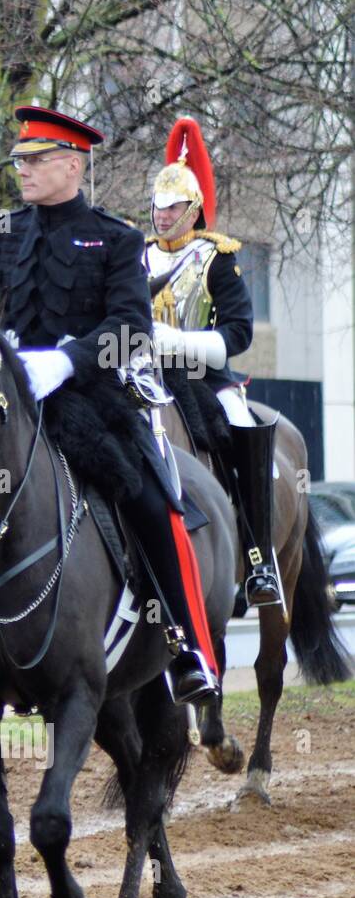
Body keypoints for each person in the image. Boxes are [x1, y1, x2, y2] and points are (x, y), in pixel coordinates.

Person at [0, 105, 220, 709]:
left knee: (152, 498)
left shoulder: (115, 238)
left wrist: (66, 362)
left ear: (73, 165)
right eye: (20, 161)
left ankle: (186, 642)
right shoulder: (1, 234)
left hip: (89, 401)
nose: (24, 171)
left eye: (36, 160)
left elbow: (132, 329)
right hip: (4, 405)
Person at [144, 117, 282, 606]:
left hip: (205, 378)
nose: (163, 215)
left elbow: (239, 332)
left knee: (241, 423)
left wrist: (178, 343)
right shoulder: (135, 256)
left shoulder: (217, 257)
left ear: (193, 208)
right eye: (158, 205)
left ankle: (259, 559)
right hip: (145, 374)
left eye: (173, 206)